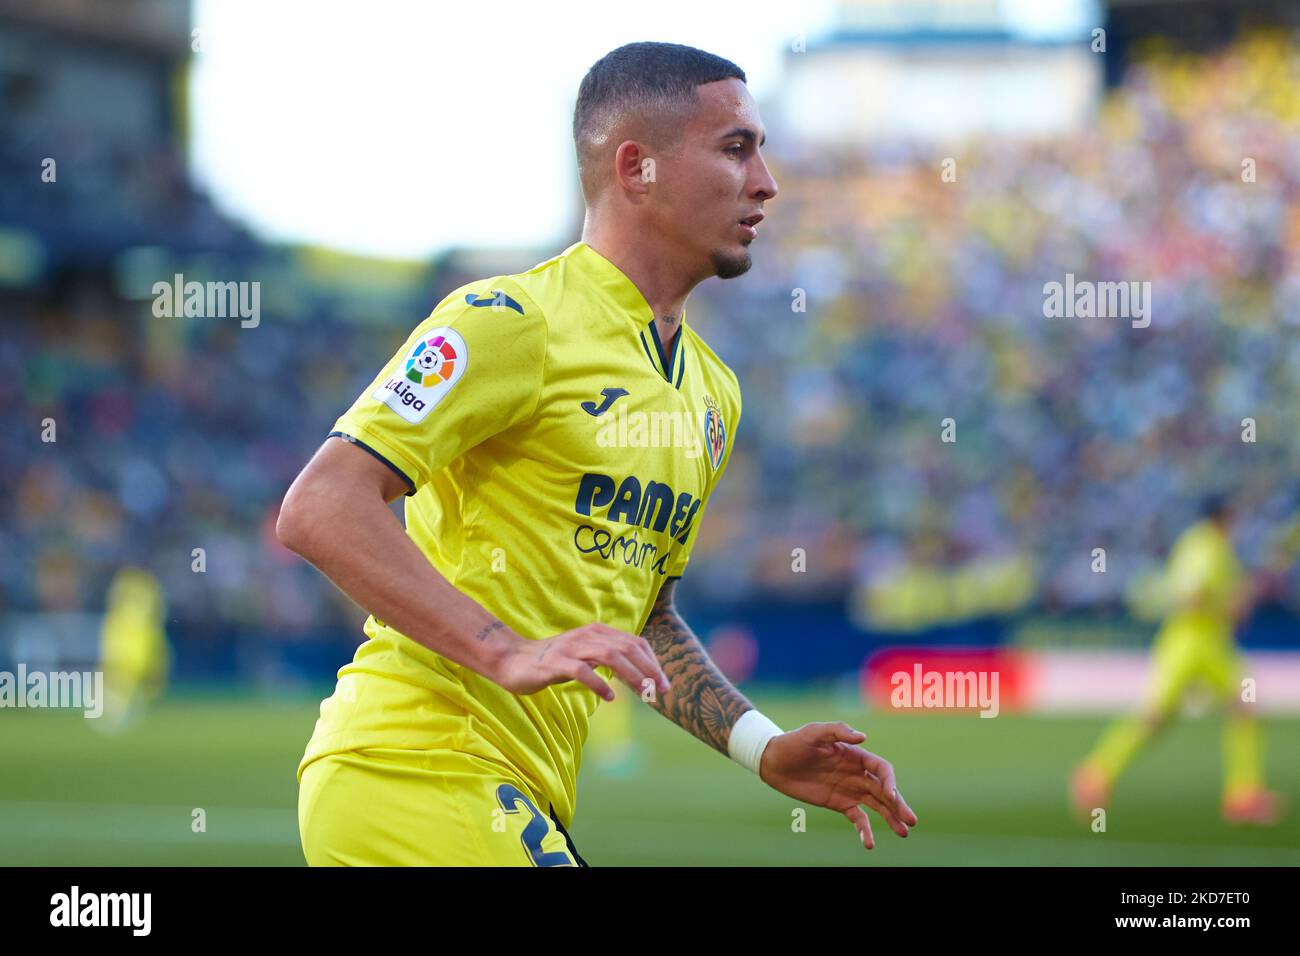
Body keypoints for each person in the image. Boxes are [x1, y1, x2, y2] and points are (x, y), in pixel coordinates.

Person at [277, 41, 917, 865]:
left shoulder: (713, 394)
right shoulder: (510, 320)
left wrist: (760, 745)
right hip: (416, 766)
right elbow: (321, 505)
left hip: (513, 789)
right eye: (736, 148)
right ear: (636, 167)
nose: (766, 180)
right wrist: (503, 649)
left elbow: (643, 615)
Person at [1072, 497, 1283, 825]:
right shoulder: (1206, 547)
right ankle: (1096, 773)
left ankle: (1243, 794)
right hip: (1193, 640)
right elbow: (1192, 597)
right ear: (1225, 516)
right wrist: (1229, 606)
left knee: (1240, 704)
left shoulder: (1203, 545)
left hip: (1203, 641)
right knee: (1158, 716)